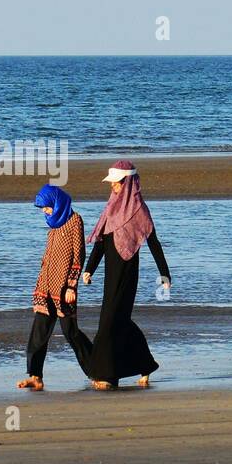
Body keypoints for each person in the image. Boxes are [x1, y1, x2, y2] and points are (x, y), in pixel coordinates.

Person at [81, 160, 170, 390]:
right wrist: (89, 268)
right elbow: (101, 243)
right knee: (119, 322)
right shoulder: (111, 208)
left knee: (110, 322)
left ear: (128, 183)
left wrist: (164, 274)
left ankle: (107, 376)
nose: (113, 187)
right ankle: (146, 364)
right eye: (112, 184)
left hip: (128, 273)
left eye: (117, 183)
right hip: (111, 274)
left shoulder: (139, 210)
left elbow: (153, 242)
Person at [17, 184, 94, 390]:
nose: (45, 211)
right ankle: (35, 375)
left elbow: (79, 255)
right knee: (38, 332)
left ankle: (97, 370)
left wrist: (71, 285)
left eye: (47, 206)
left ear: (56, 202)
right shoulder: (53, 224)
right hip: (46, 285)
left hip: (63, 289)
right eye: (42, 208)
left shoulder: (74, 220)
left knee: (71, 333)